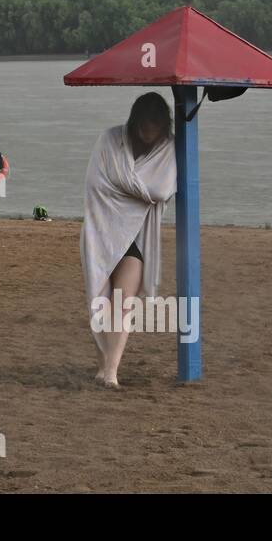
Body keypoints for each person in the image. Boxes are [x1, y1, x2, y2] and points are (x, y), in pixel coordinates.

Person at [79, 92, 177, 388]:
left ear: (163, 126)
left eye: (155, 128)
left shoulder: (167, 149)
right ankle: (102, 368)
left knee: (122, 304)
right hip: (100, 231)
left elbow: (161, 189)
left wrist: (130, 189)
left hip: (137, 236)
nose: (149, 135)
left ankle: (111, 373)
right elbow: (96, 183)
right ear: (135, 122)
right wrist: (138, 191)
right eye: (144, 127)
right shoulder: (109, 140)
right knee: (100, 302)